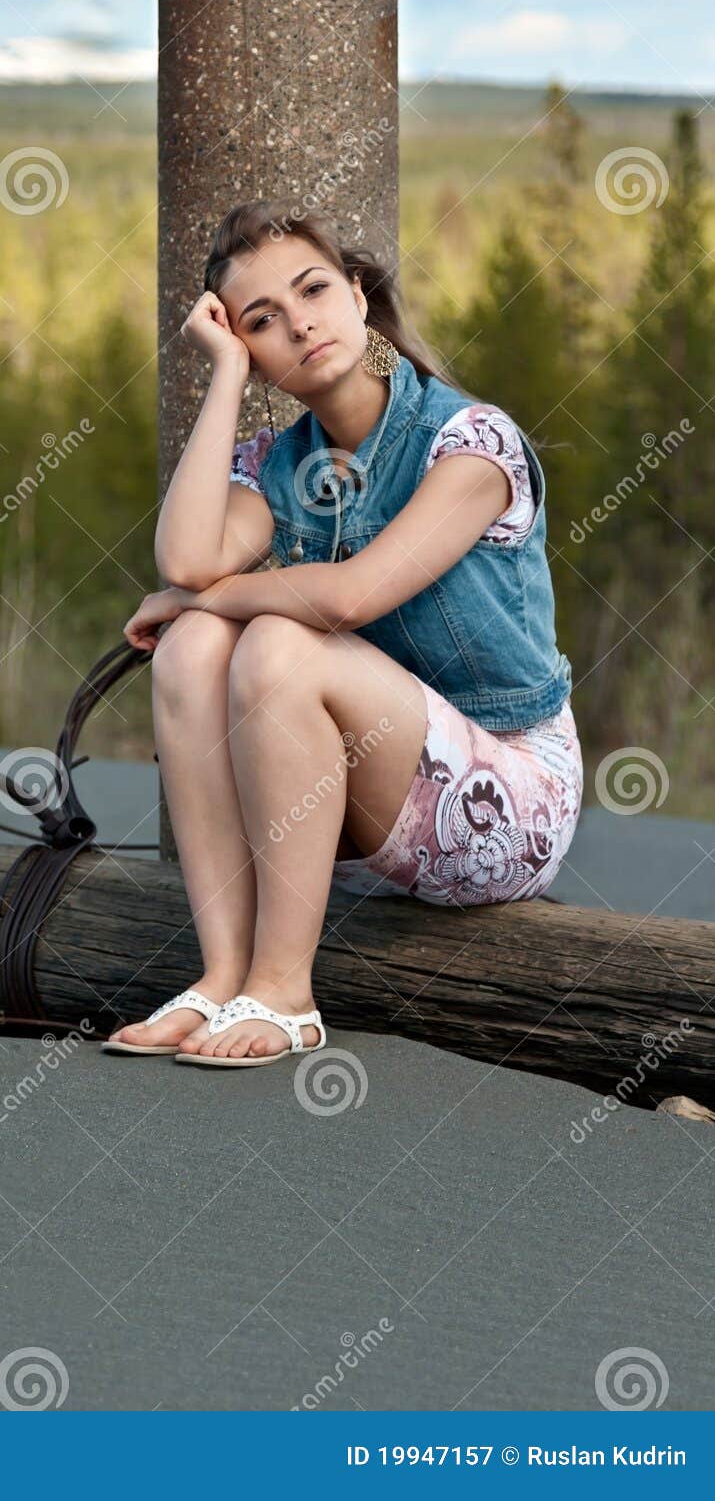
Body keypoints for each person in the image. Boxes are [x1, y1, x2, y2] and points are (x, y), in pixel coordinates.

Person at [105, 199, 583, 1068]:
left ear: (359, 295)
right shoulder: (277, 464)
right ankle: (222, 976)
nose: (299, 324)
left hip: (508, 807)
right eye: (262, 322)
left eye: (313, 290)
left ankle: (286, 992)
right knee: (193, 646)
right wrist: (221, 377)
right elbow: (185, 556)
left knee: (272, 638)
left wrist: (209, 598)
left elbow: (350, 598)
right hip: (363, 810)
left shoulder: (469, 442)